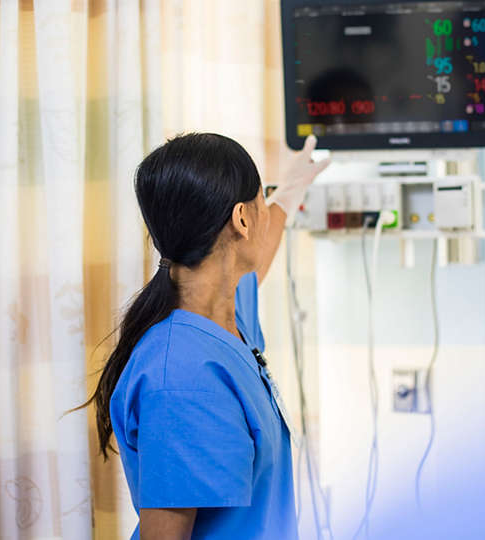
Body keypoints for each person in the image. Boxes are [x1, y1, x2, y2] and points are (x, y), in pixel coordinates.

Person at [86, 133, 328, 539]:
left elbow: (258, 254)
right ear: (242, 219)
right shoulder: (181, 377)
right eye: (260, 200)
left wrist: (290, 190)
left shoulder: (221, 319)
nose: (267, 213)